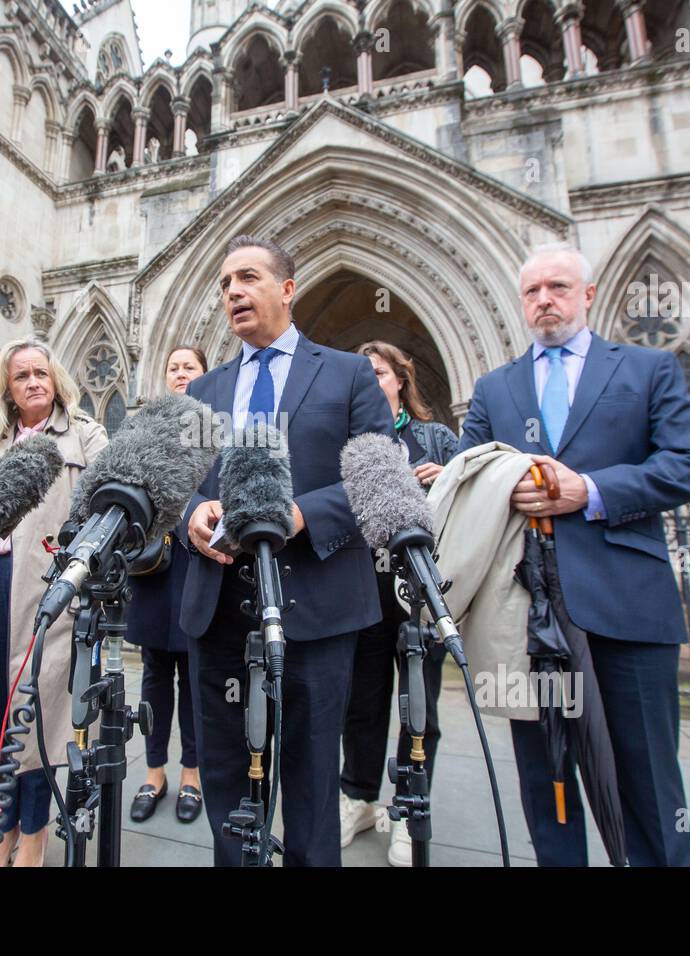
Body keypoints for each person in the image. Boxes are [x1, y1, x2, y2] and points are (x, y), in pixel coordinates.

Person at [455, 242, 690, 866]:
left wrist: (591, 491)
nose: (544, 300)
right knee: (547, 780)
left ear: (589, 295)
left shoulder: (648, 369)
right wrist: (496, 487)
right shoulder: (495, 388)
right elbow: (471, 477)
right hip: (528, 612)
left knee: (647, 777)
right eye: (532, 291)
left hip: (626, 605)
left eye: (558, 287)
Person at [182, 235, 394, 866]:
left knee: (310, 781)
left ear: (287, 289)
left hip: (317, 608)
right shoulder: (204, 391)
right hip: (220, 607)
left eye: (248, 277)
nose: (233, 291)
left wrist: (301, 514)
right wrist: (193, 513)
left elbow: (377, 475)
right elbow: (179, 483)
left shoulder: (348, 373)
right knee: (227, 780)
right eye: (225, 283)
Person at [0, 340, 109, 867]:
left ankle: (33, 832)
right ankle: (1, 827)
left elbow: (108, 506)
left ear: (56, 380)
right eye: (22, 376)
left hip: (50, 592)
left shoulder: (85, 435)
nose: (33, 382)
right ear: (7, 388)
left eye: (41, 373)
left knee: (36, 722)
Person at [339, 341, 459, 866]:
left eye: (379, 372)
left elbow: (469, 500)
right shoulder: (348, 443)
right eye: (362, 373)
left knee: (420, 704)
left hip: (419, 595)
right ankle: (359, 797)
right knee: (362, 702)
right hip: (363, 587)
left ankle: (410, 807)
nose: (370, 380)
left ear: (400, 380)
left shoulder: (435, 439)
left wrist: (443, 480)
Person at [126, 346, 207, 825]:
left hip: (199, 566)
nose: (180, 373)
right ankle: (154, 772)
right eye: (173, 367)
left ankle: (191, 773)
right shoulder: (148, 425)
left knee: (195, 677)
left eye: (188, 367)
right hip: (155, 568)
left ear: (205, 373)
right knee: (155, 674)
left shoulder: (215, 424)